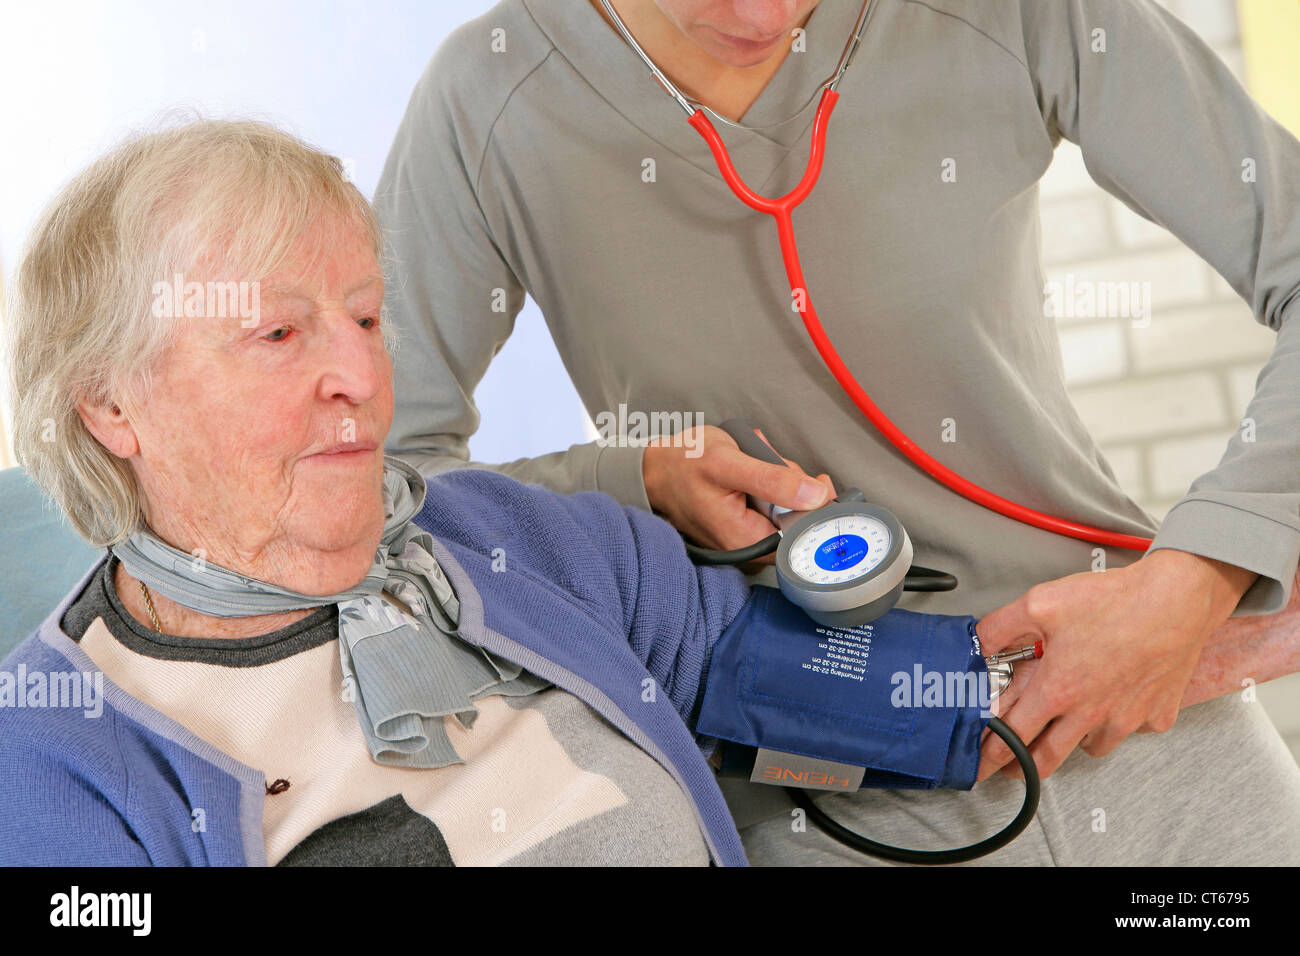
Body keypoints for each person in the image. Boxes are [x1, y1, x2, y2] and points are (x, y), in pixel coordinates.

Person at [374, 0, 1300, 864]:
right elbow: (381, 483)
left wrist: (1196, 579)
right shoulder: (488, 97)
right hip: (820, 793)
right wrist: (633, 482)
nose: (764, 17)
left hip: (1142, 718)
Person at [0, 118, 824, 866]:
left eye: (365, 320)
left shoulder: (512, 537)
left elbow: (794, 689)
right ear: (112, 404)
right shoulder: (49, 756)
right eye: (278, 334)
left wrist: (947, 694)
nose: (362, 376)